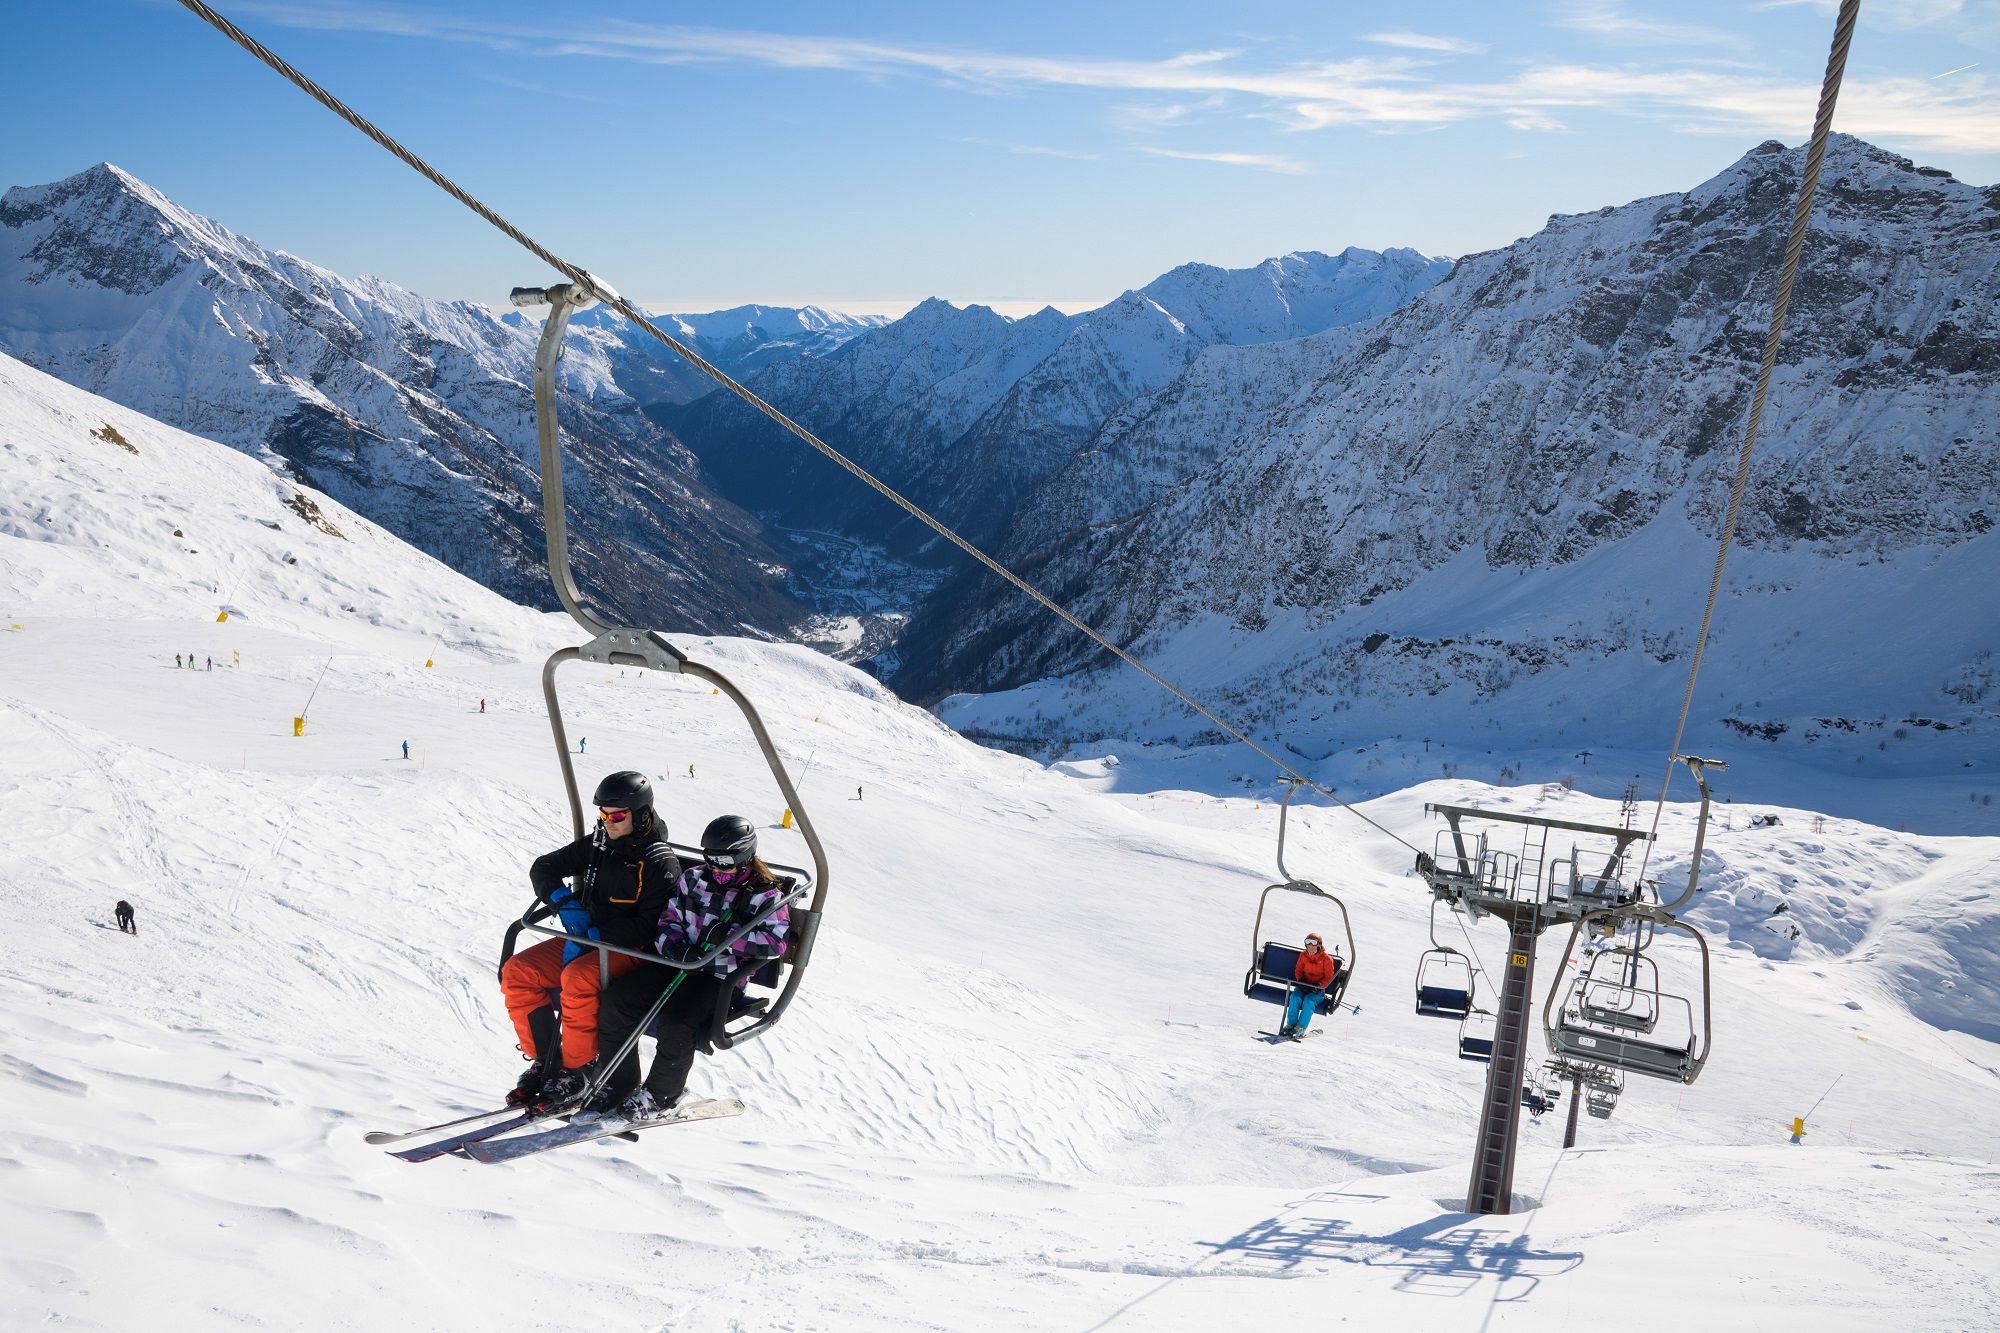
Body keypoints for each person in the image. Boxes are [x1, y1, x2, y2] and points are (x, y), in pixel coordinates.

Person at [581, 814, 791, 1122]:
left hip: (720, 979)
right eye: (711, 859)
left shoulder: (765, 895)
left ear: (745, 856)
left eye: (726, 861)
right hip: (678, 964)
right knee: (617, 1000)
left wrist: (731, 938)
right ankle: (619, 1083)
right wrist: (677, 948)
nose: (717, 868)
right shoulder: (693, 878)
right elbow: (667, 922)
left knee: (677, 1022)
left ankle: (663, 1096)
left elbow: (776, 944)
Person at [499, 772, 682, 1110]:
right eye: (603, 814)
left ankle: (578, 1068)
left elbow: (651, 925)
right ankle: (546, 1063)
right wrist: (565, 905)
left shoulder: (660, 862)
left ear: (640, 814)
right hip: (589, 939)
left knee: (578, 977)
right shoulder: (600, 844)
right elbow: (545, 867)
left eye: (616, 816)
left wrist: (599, 937)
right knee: (519, 971)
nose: (607, 822)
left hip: (633, 948)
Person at [1282, 933, 1337, 1038]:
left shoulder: (1327, 959)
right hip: (1303, 986)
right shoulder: (1303, 955)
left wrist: (1318, 985)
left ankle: (1300, 1028)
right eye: (1308, 947)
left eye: (1313, 947)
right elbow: (1298, 970)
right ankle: (1291, 1025)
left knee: (1309, 1001)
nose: (1310, 949)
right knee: (1295, 997)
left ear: (1319, 946)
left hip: (1318, 991)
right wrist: (1301, 981)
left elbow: (1328, 977)